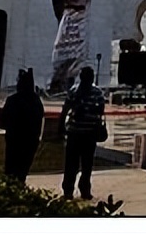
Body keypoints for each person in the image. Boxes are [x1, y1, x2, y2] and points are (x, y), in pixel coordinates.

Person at [59, 66, 106, 200]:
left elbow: (65, 111)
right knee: (79, 165)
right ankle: (73, 190)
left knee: (81, 165)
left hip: (82, 133)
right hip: (81, 133)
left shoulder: (78, 91)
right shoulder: (94, 93)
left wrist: (61, 127)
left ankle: (77, 190)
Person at [0, 68, 44, 181]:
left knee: (11, 170)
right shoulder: (36, 101)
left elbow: (3, 120)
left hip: (15, 139)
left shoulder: (13, 100)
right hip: (30, 141)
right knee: (22, 170)